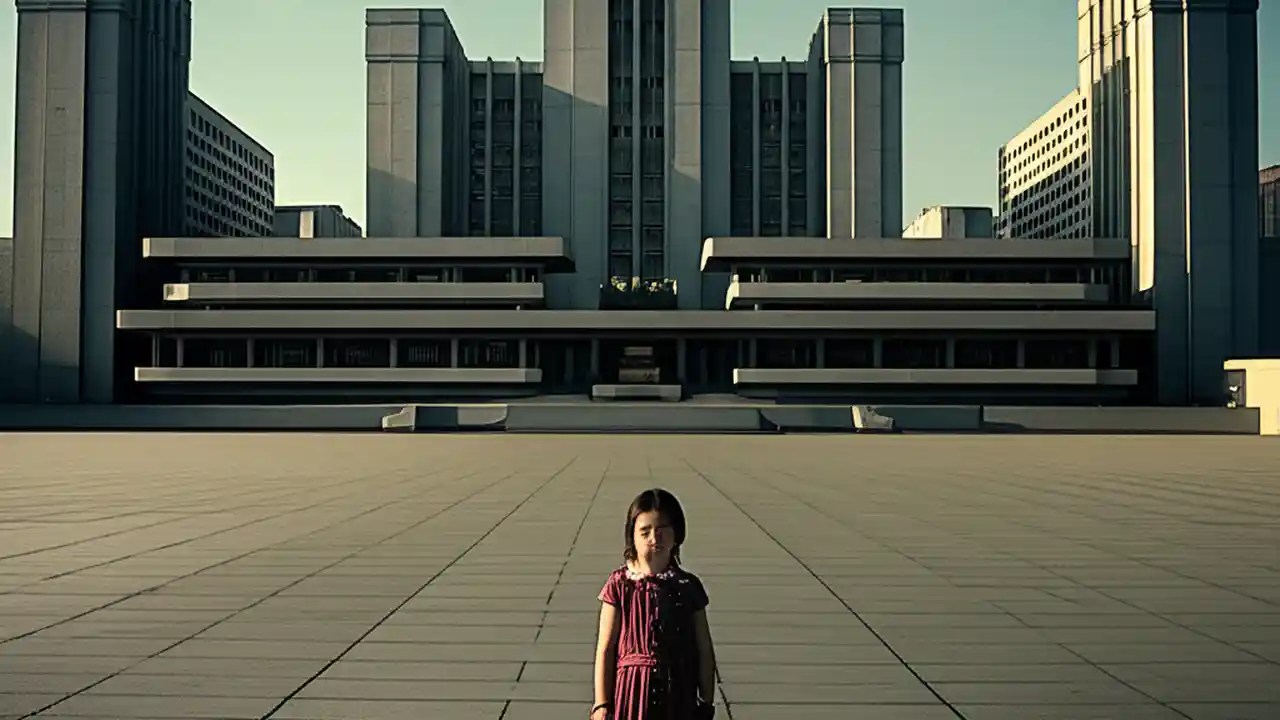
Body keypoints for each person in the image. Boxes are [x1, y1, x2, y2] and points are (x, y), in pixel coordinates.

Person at [591, 488, 718, 720]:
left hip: (678, 690)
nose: (654, 539)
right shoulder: (619, 584)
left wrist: (706, 700)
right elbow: (606, 648)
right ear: (633, 536)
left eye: (662, 530)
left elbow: (704, 648)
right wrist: (601, 703)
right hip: (630, 690)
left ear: (676, 534)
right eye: (645, 531)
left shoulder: (687, 586)